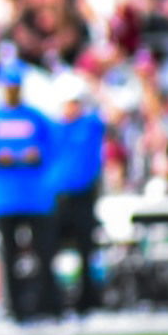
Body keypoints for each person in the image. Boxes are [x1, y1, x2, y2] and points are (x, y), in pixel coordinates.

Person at [0, 62, 61, 323]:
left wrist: (39, 155)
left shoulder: (36, 117)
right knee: (10, 256)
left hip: (34, 195)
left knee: (44, 252)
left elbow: (56, 146)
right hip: (4, 196)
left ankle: (48, 304)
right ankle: (16, 307)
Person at [48, 72, 106, 317]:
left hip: (84, 195)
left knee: (86, 248)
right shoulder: (52, 128)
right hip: (58, 198)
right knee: (51, 249)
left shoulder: (90, 124)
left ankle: (89, 299)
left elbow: (111, 112)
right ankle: (56, 298)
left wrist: (93, 83)